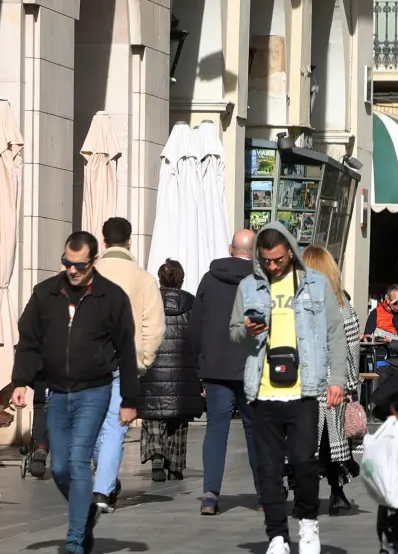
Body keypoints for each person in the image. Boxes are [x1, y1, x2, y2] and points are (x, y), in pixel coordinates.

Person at [11, 231, 139, 554]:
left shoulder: (111, 298)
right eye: (67, 262)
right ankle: (87, 513)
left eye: (79, 265)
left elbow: (126, 351)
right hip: (57, 391)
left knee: (79, 461)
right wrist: (20, 381)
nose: (72, 270)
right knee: (59, 468)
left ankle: (75, 538)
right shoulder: (45, 295)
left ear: (93, 261)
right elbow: (28, 342)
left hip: (95, 391)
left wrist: (130, 401)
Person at [230, 223, 350, 554]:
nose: (272, 266)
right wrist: (248, 331)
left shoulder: (315, 284)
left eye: (278, 259)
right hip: (263, 390)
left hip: (304, 390)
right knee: (268, 468)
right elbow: (234, 333)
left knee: (303, 461)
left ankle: (308, 527)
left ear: (291, 252)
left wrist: (337, 379)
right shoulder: (248, 286)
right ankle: (277, 537)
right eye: (266, 260)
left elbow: (335, 333)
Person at [90, 216, 165, 514]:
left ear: (104, 241)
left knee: (93, 425)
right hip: (126, 360)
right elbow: (155, 327)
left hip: (88, 361)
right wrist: (143, 359)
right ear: (130, 241)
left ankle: (105, 480)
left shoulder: (88, 273)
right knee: (115, 425)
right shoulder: (143, 277)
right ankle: (101, 490)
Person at [192, 228, 260, 515]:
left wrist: (201, 365)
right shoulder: (260, 280)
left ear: (231, 248)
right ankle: (264, 495)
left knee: (216, 430)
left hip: (216, 367)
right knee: (256, 432)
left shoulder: (209, 279)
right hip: (251, 367)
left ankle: (210, 494)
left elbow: (196, 326)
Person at [300, 247, 362, 517]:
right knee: (332, 443)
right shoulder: (342, 305)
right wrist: (350, 386)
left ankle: (304, 496)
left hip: (303, 385)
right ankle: (337, 494)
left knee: (304, 444)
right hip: (333, 386)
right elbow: (352, 350)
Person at [138, 259, 200, 483]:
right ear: (181, 280)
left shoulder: (149, 301)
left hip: (153, 369)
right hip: (183, 374)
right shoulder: (193, 304)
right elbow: (198, 339)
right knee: (178, 420)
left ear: (160, 280)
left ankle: (156, 452)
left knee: (153, 415)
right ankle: (174, 465)